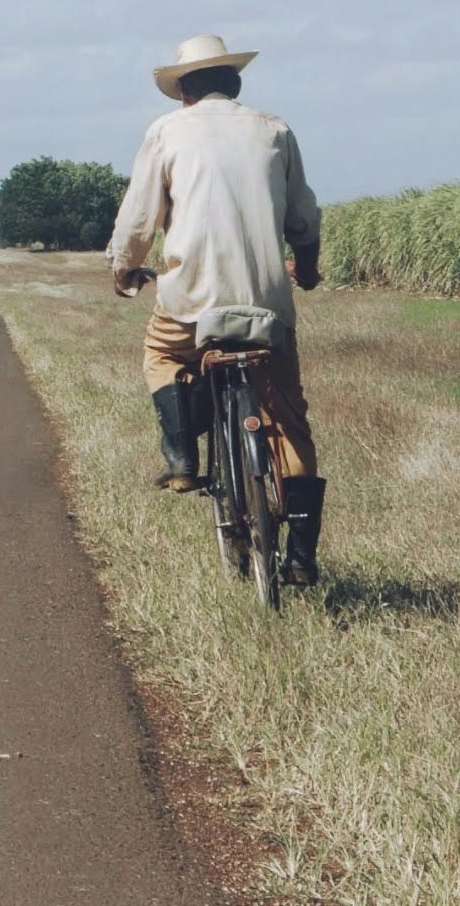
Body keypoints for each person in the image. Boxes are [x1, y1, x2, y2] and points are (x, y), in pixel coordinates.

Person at [107, 30, 328, 586]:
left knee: (162, 354)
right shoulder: (274, 129)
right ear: (234, 82)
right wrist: (306, 264)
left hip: (190, 304)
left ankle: (183, 458)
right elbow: (303, 216)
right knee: (288, 423)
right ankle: (300, 556)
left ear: (183, 91)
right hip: (265, 305)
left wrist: (125, 268)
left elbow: (138, 220)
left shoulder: (166, 133)